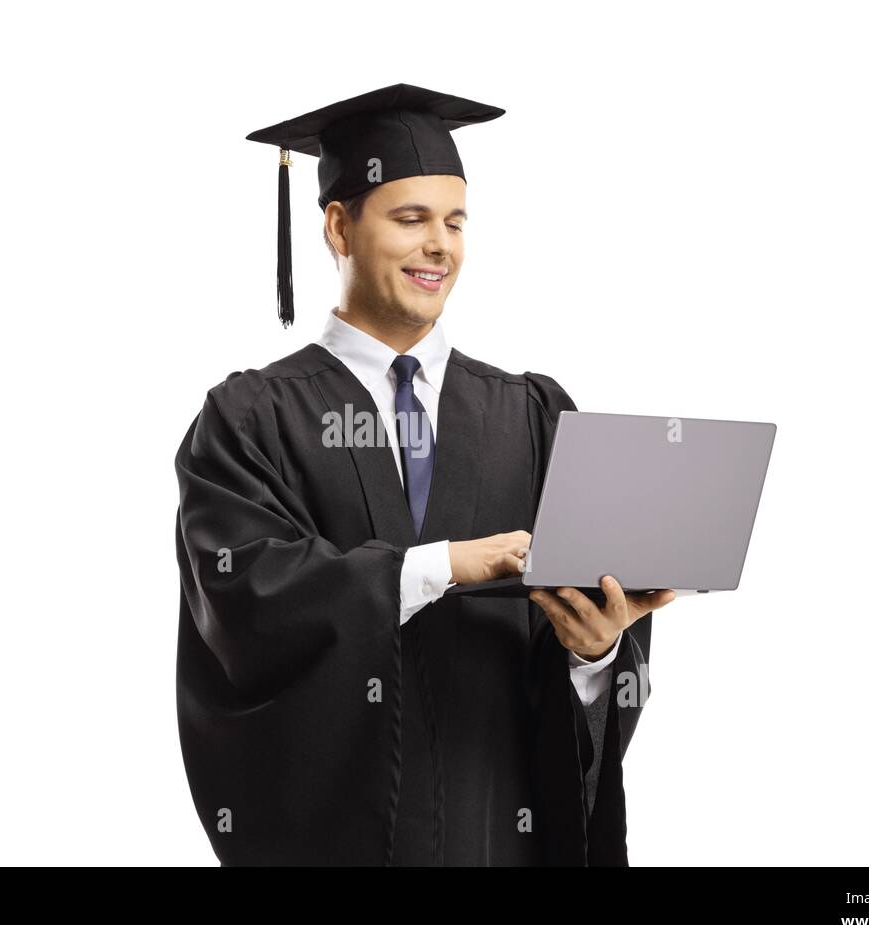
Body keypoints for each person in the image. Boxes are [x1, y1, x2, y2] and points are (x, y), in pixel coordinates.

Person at [174, 83, 675, 866]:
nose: (439, 244)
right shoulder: (252, 419)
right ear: (339, 226)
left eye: (455, 221)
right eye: (410, 219)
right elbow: (245, 602)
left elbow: (580, 661)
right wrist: (435, 567)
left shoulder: (533, 415)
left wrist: (597, 651)